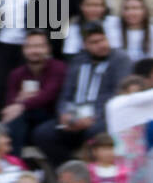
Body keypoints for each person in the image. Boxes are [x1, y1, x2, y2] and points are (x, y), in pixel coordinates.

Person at [35, 23, 132, 170]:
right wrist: (64, 114)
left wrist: (94, 118)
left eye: (102, 40)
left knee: (95, 132)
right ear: (85, 45)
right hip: (74, 117)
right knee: (43, 134)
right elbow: (66, 93)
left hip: (101, 118)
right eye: (94, 42)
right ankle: (69, 170)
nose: (101, 45)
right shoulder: (78, 60)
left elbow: (118, 94)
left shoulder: (119, 59)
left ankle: (91, 175)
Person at [1, 31, 66, 160]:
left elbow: (49, 94)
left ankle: (13, 163)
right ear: (24, 50)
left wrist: (22, 104)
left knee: (19, 117)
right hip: (26, 123)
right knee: (14, 120)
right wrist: (19, 99)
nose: (34, 51)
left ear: (47, 48)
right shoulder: (17, 74)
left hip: (53, 119)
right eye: (30, 47)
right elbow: (10, 104)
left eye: (39, 46)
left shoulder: (58, 68)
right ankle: (14, 164)